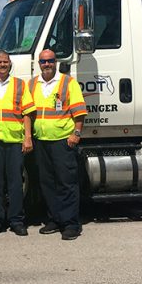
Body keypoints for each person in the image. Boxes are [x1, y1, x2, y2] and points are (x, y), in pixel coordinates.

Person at [29, 49, 87, 240]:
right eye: (43, 62)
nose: (47, 64)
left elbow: (79, 111)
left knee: (66, 182)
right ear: (39, 64)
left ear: (55, 62)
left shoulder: (67, 82)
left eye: (50, 61)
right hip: (41, 141)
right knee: (47, 183)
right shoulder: (32, 84)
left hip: (62, 140)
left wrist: (76, 133)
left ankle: (71, 224)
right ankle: (54, 219)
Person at [0, 50, 35, 237]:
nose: (2, 65)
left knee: (15, 182)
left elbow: (27, 113)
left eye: (5, 62)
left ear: (10, 64)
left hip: (15, 141)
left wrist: (27, 137)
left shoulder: (19, 85)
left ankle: (17, 220)